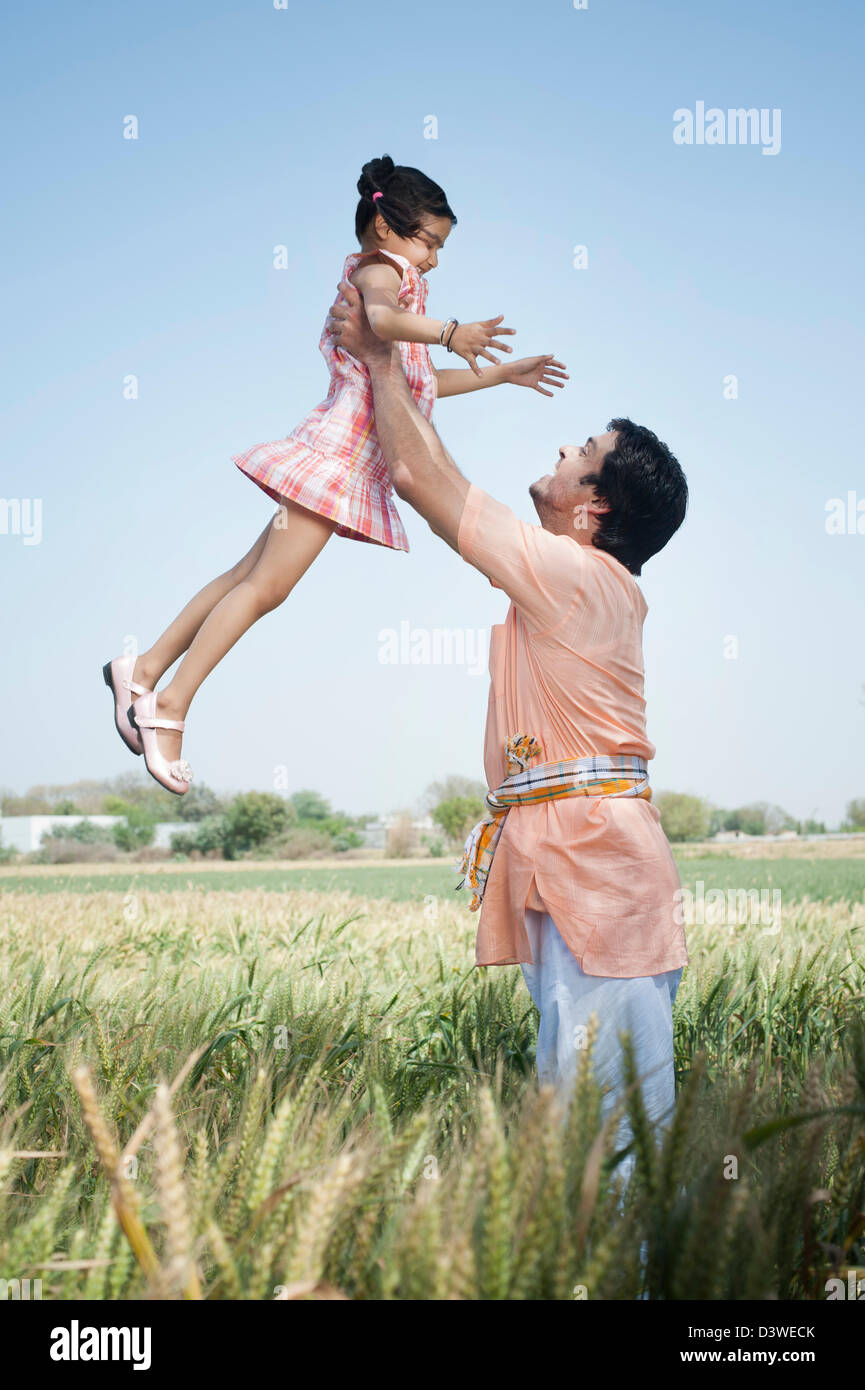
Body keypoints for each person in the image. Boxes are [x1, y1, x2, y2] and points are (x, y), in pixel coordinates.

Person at [328, 278, 690, 1187]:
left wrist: (379, 354)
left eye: (585, 451)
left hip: (595, 866)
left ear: (593, 506)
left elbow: (421, 478)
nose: (564, 445)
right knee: (579, 1107)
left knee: (604, 1128)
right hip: (571, 857)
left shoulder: (580, 575)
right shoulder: (573, 576)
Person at [102, 154, 567, 793]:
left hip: (338, 448)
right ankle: (169, 706)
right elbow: (380, 323)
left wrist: (499, 375)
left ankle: (143, 668)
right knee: (266, 589)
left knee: (246, 577)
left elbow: (418, 385)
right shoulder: (382, 269)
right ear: (385, 226)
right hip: (338, 456)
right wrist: (450, 330)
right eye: (428, 240)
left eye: (439, 246)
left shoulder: (398, 274)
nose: (433, 257)